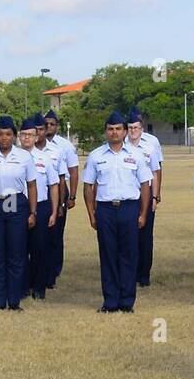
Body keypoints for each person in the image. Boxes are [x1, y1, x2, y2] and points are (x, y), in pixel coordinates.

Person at [83, 110, 152, 313]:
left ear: (124, 132)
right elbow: (88, 186)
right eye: (110, 129)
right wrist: (91, 213)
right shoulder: (96, 156)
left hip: (129, 208)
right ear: (105, 132)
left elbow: (145, 185)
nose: (114, 133)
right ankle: (110, 301)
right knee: (108, 254)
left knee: (129, 255)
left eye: (118, 129)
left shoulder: (136, 155)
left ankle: (126, 301)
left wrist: (143, 213)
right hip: (105, 209)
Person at [0, 115, 38, 311]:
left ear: (14, 136)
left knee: (16, 253)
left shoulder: (24, 157)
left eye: (8, 134)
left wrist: (32, 212)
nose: (4, 138)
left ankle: (14, 301)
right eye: (0, 134)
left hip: (15, 202)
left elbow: (32, 185)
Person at [19, 117, 60, 301]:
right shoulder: (13, 157)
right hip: (17, 206)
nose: (26, 138)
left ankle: (39, 286)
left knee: (39, 248)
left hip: (41, 206)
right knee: (19, 248)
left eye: (30, 135)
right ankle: (23, 285)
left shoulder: (45, 158)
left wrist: (54, 210)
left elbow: (53, 185)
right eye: (24, 135)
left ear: (37, 137)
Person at [42, 109, 80, 287]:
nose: (49, 127)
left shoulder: (65, 146)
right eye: (46, 124)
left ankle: (55, 269)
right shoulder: (34, 142)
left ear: (57, 126)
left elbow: (72, 171)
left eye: (52, 124)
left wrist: (72, 195)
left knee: (56, 232)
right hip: (40, 191)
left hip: (60, 188)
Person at [126, 108, 163, 287]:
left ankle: (144, 273)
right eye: (130, 127)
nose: (133, 131)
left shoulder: (150, 147)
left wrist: (155, 197)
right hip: (128, 195)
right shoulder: (121, 146)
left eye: (136, 127)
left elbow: (156, 173)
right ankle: (130, 272)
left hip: (146, 195)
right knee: (128, 236)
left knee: (145, 237)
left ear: (141, 129)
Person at [33, 112, 70, 291]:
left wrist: (61, 205)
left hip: (50, 197)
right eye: (37, 129)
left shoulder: (56, 152)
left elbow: (61, 180)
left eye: (43, 129)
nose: (40, 132)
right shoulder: (23, 151)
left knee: (50, 239)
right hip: (28, 200)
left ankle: (49, 276)